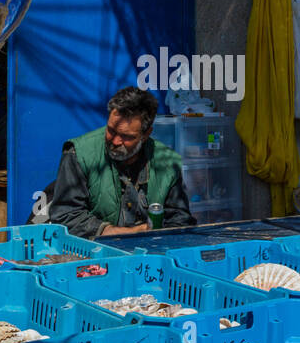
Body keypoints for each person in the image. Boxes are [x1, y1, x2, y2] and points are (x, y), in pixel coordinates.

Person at [48, 87, 195, 238]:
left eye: (126, 136)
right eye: (111, 130)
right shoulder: (79, 153)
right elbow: (65, 215)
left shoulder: (168, 163)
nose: (115, 141)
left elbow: (180, 220)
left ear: (146, 134)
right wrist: (124, 233)